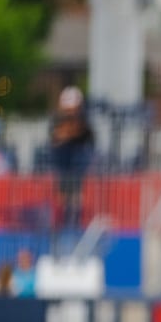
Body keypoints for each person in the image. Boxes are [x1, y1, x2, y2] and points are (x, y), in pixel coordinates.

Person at [49, 86, 95, 231]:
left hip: (76, 164)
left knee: (76, 195)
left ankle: (75, 221)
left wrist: (69, 133)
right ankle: (63, 220)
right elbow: (56, 137)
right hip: (62, 162)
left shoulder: (84, 121)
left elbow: (86, 137)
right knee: (63, 194)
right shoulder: (56, 119)